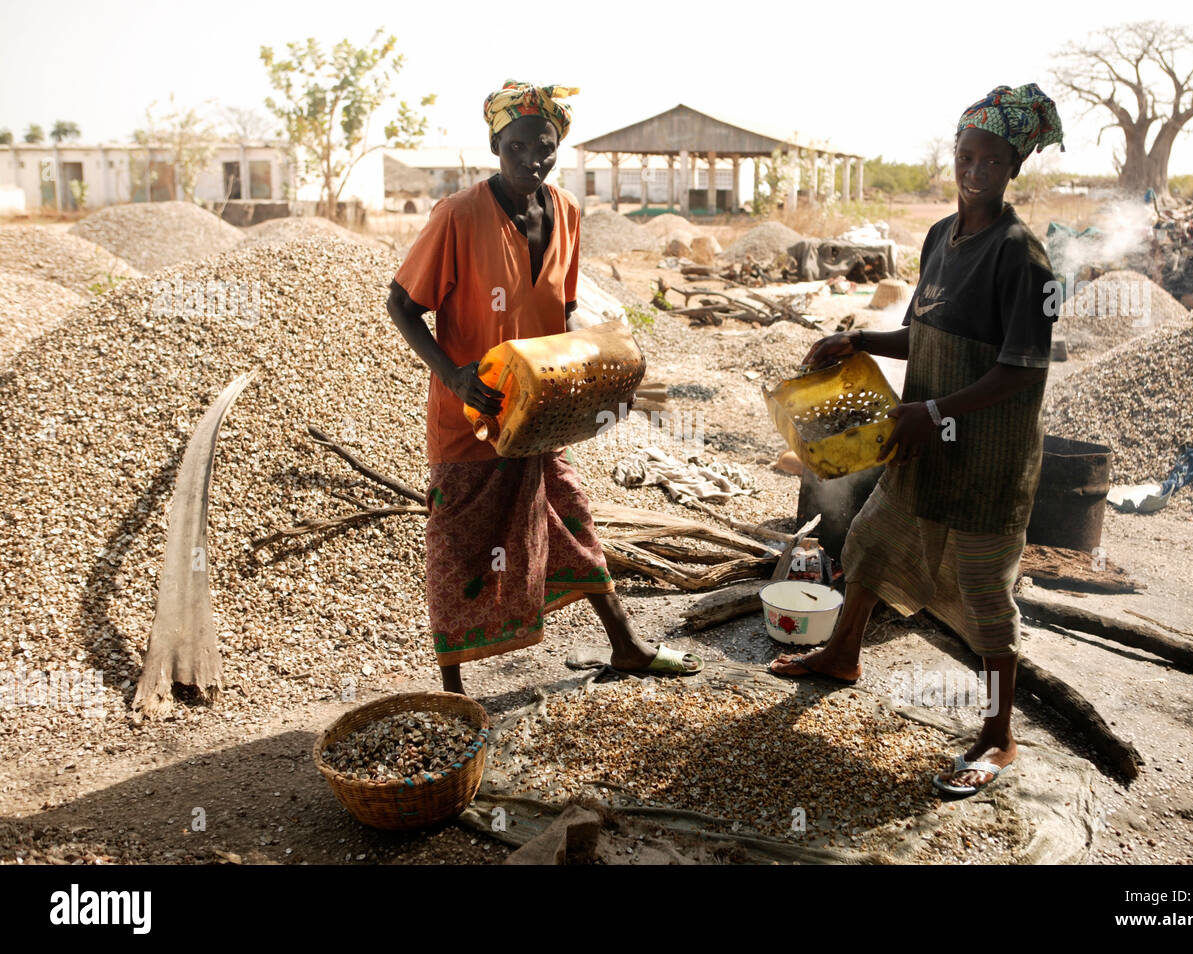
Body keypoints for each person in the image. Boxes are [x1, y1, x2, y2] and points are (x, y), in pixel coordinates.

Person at [769, 84, 1064, 798]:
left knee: (987, 596)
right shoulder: (938, 237)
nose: (974, 172)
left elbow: (1021, 369)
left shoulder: (1023, 257)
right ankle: (841, 656)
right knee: (870, 543)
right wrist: (857, 337)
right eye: (966, 156)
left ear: (1012, 169)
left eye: (991, 161)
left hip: (985, 459)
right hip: (925, 445)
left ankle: (998, 735)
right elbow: (926, 330)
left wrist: (934, 413)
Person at [386, 80, 702, 695]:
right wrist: (453, 375)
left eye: (547, 147)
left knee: (572, 518)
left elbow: (566, 310)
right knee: (460, 549)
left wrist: (608, 368)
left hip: (542, 413)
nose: (533, 159)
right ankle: (454, 694)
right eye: (519, 146)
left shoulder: (567, 214)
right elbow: (401, 304)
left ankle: (627, 645)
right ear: (495, 144)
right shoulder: (457, 216)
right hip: (473, 416)